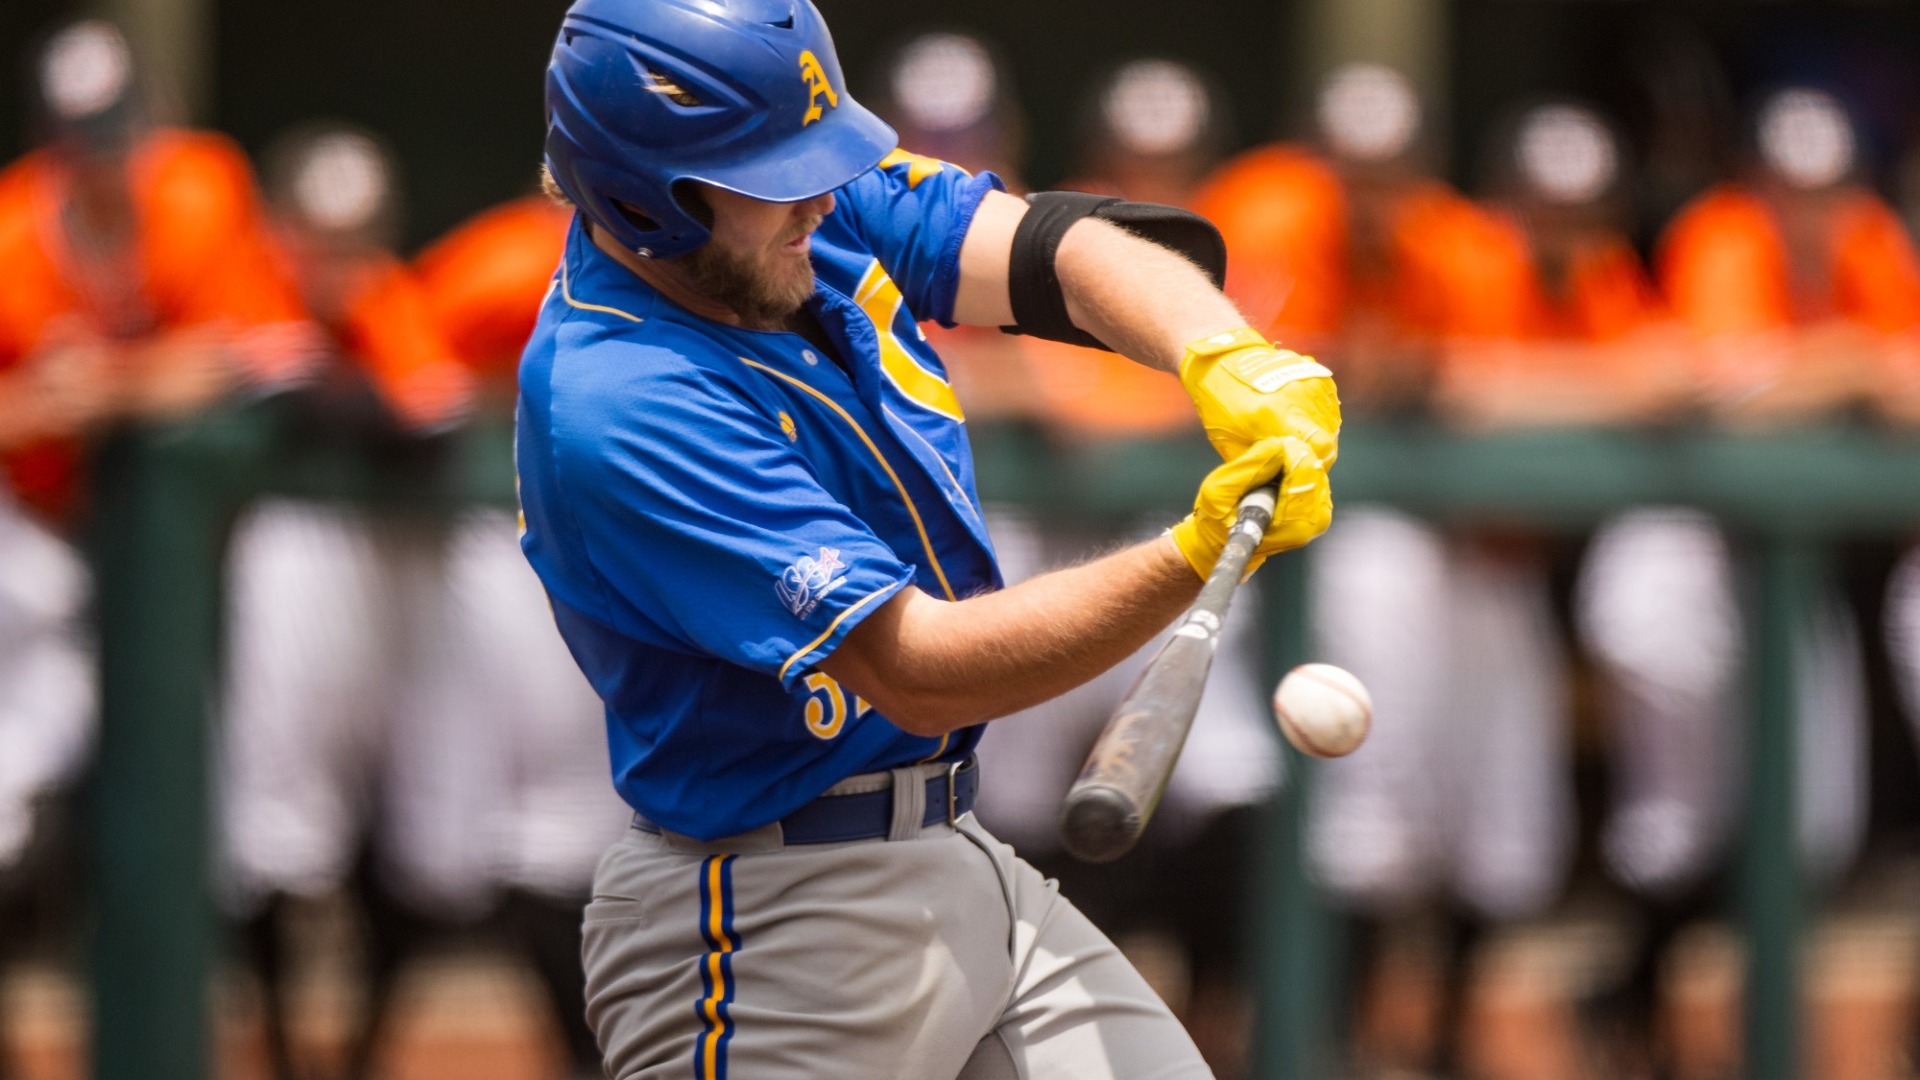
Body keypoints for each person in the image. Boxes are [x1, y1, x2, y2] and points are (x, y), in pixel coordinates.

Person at [516, 1, 1341, 1076]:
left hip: (958, 857)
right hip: (764, 927)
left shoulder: (785, 206)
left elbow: (1051, 250)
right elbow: (921, 671)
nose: (815, 194)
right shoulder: (621, 399)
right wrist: (1194, 551)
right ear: (647, 197)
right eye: (774, 177)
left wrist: (1225, 355)